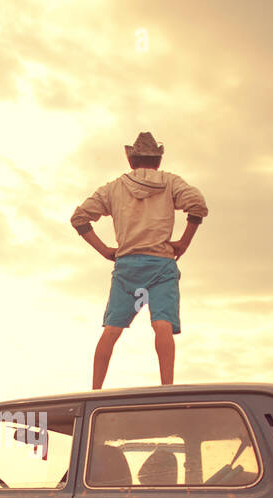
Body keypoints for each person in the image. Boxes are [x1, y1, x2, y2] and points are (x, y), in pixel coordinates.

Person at [70, 132, 208, 388]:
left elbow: (79, 218)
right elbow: (197, 204)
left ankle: (96, 390)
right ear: (158, 160)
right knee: (162, 324)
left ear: (131, 160)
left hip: (127, 265)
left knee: (112, 329)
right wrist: (184, 242)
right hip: (160, 262)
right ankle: (167, 386)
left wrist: (104, 250)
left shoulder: (114, 188)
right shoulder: (170, 182)